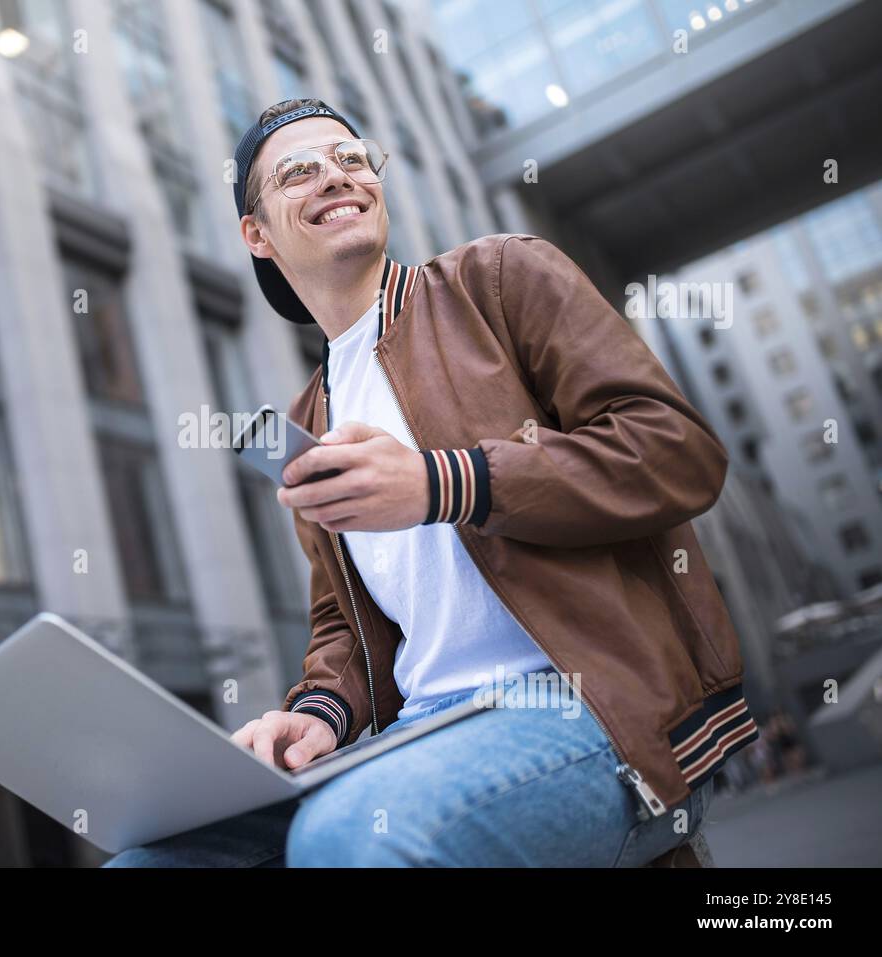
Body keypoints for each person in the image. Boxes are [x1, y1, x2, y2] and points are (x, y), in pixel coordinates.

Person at [103, 98, 755, 867]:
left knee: (345, 834)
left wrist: (445, 481)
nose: (336, 178)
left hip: (590, 707)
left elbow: (677, 450)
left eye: (352, 159)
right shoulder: (309, 415)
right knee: (147, 861)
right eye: (299, 172)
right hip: (429, 729)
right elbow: (343, 625)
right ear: (257, 234)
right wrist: (321, 712)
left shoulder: (502, 279)